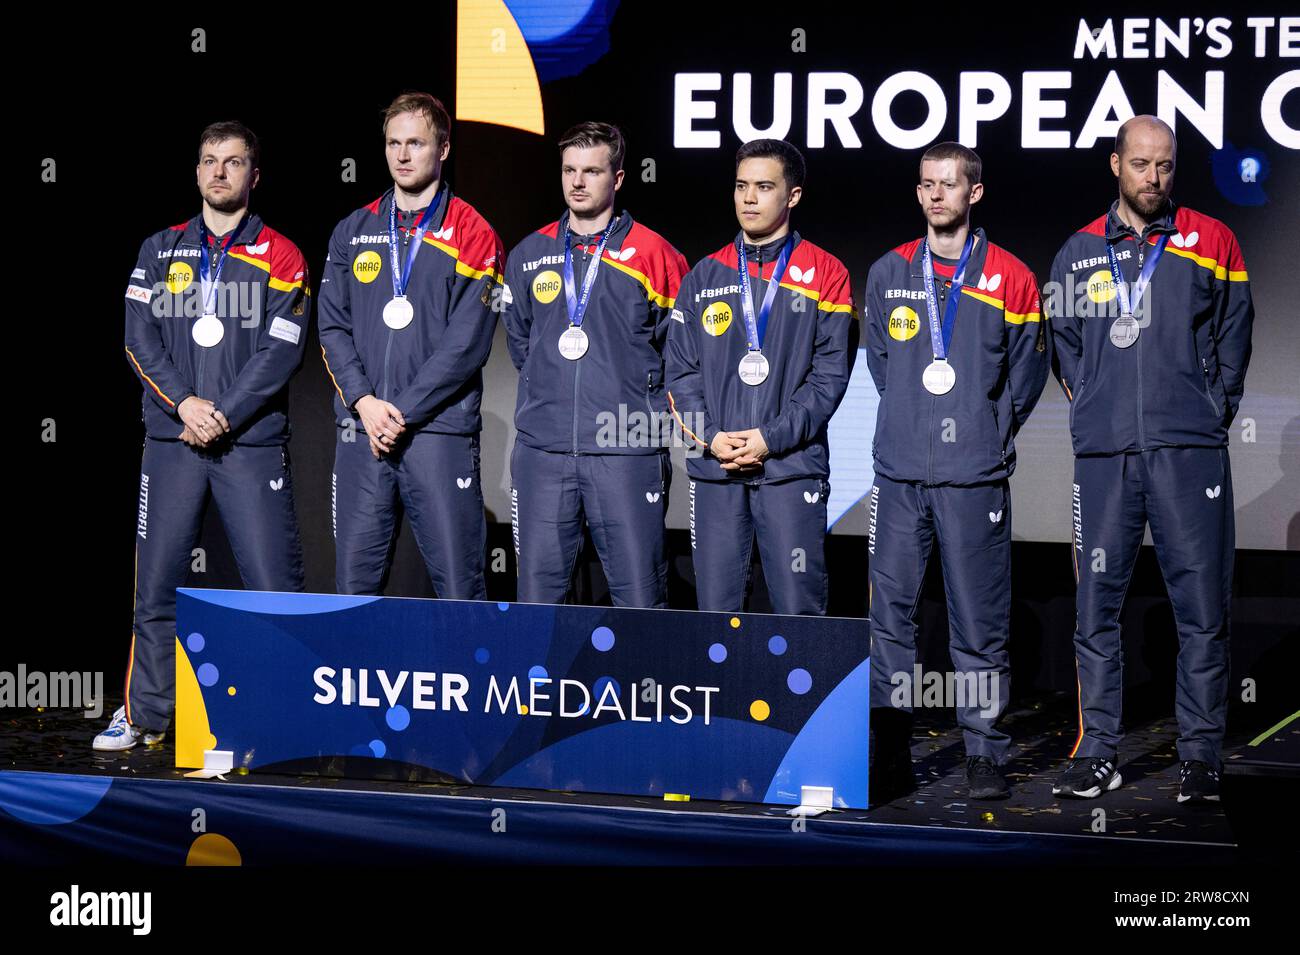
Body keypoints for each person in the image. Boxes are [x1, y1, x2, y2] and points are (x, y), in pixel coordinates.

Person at [1047, 116, 1252, 803]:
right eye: (1140, 165)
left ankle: (1199, 752)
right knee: (1095, 607)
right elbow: (1064, 346)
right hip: (1106, 456)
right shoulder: (1076, 252)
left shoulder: (1213, 241)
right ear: (1115, 165)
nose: (1154, 179)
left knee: (1200, 607)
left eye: (1165, 166)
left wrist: (1205, 409)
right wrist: (1096, 408)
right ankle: (1097, 750)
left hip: (1189, 452)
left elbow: (1233, 335)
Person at [101, 121, 309, 750]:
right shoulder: (158, 250)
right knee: (157, 583)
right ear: (196, 173)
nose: (220, 172)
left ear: (254, 174)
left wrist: (222, 413)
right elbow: (139, 340)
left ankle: (290, 719)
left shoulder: (283, 255)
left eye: (234, 162)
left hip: (247, 443)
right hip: (172, 442)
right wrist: (186, 405)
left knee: (274, 586)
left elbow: (282, 351)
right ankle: (144, 716)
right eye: (210, 161)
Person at [864, 142, 1050, 801]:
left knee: (979, 620)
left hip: (974, 477)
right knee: (890, 616)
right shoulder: (889, 271)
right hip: (899, 473)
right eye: (926, 185)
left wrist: (984, 429)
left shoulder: (1012, 276)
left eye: (948, 184)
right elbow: (884, 365)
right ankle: (888, 749)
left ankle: (982, 752)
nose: (936, 195)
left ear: (974, 192)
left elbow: (1024, 379)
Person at [319, 92, 504, 598]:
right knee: (354, 589)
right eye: (393, 143)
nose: (402, 155)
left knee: (459, 588)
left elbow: (466, 345)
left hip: (437, 433)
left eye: (416, 143)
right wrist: (364, 402)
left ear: (442, 149)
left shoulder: (474, 233)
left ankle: (463, 675)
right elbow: (332, 326)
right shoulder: (352, 231)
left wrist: (397, 412)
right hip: (362, 432)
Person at [665, 139, 856, 615]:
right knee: (716, 613)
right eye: (741, 186)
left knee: (798, 611)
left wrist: (770, 438)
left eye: (764, 187)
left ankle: (801, 694)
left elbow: (829, 378)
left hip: (790, 470)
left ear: (792, 196)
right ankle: (724, 692)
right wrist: (711, 437)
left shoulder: (826, 274)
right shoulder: (704, 276)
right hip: (717, 468)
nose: (749, 198)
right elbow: (680, 372)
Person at [503, 122, 688, 607]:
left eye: (591, 171)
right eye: (569, 170)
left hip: (626, 450)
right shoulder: (528, 254)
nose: (578, 182)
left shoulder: (658, 256)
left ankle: (641, 684)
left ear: (619, 178)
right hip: (543, 453)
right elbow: (521, 342)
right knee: (539, 600)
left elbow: (680, 354)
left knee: (640, 600)